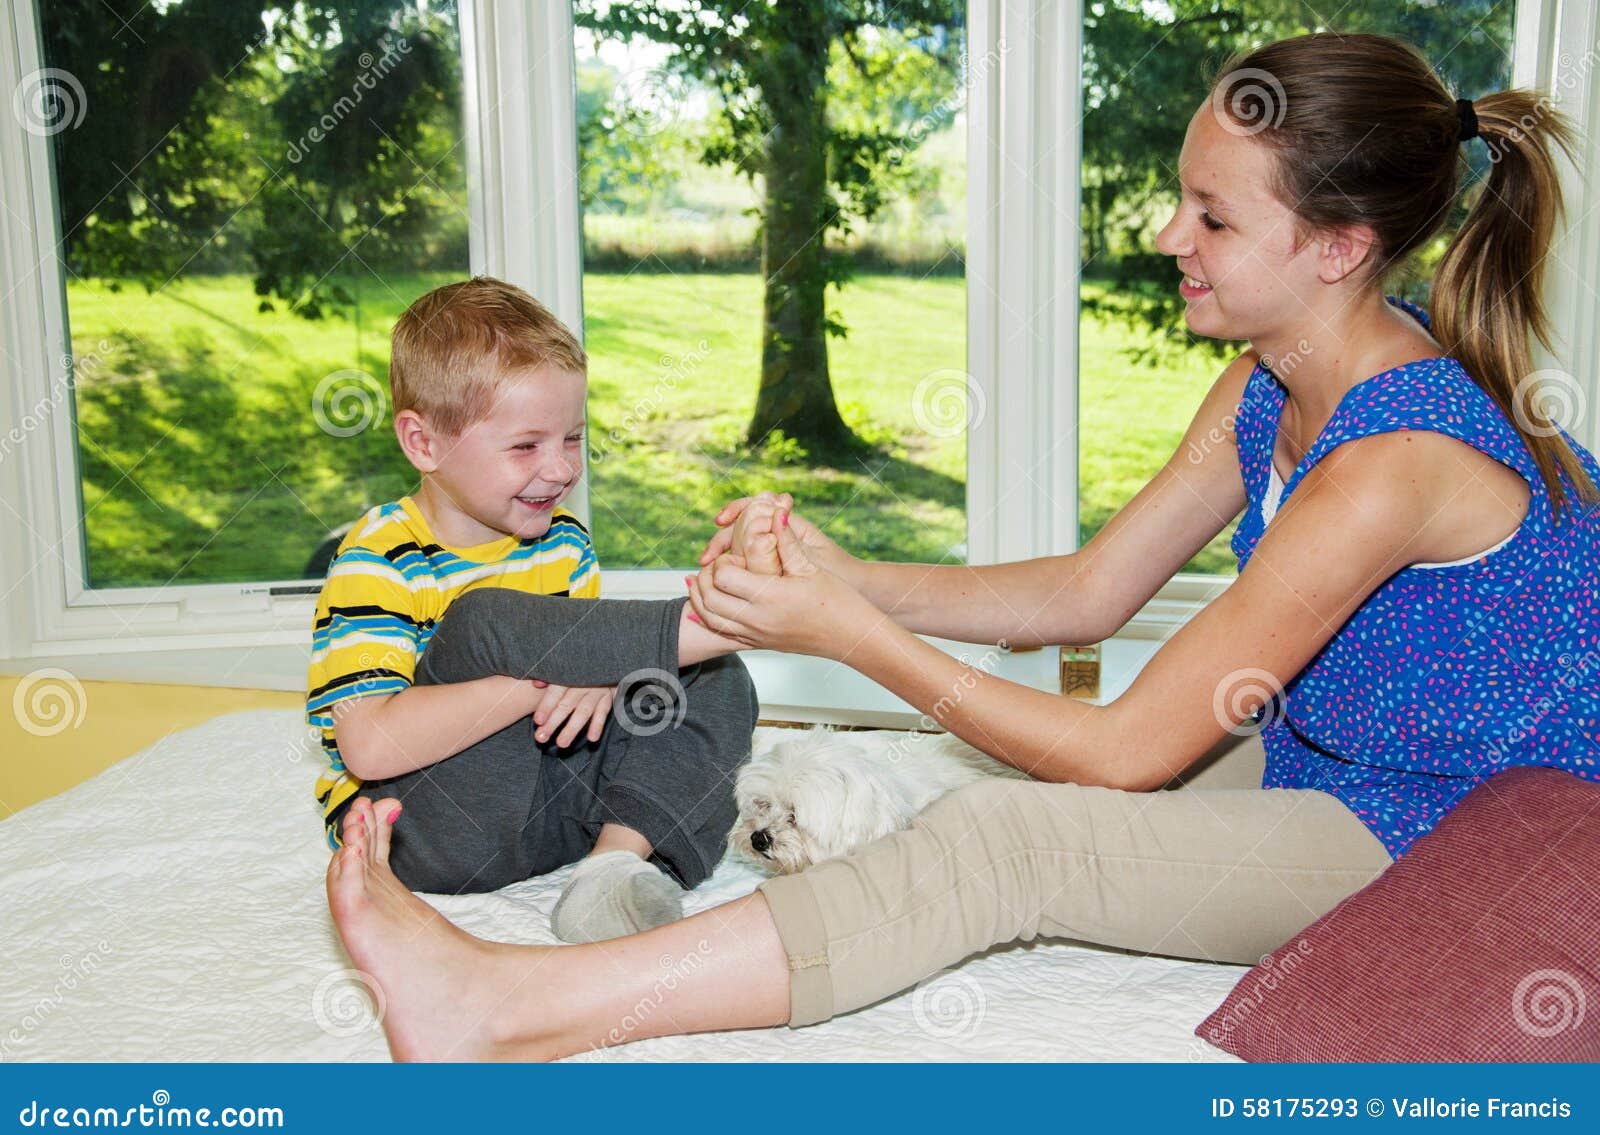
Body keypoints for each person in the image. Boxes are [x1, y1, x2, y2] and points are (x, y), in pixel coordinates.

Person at [325, 32, 1600, 1060]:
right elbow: (1088, 592)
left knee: (1011, 837)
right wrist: (849, 578)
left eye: (1211, 218)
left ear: (1338, 248)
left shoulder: (1391, 464)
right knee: (1006, 788)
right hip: (1351, 756)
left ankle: (511, 1009)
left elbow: (1124, 750)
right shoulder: (1275, 378)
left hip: (1475, 833)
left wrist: (850, 636)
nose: (1169, 235)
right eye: (1181, 198)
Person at [306, 276, 756, 944]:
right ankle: (715, 618)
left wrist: (600, 677)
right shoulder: (378, 559)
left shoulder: (564, 542)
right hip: (430, 826)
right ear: (424, 443)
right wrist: (541, 682)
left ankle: (611, 870)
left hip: (557, 812)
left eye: (572, 438)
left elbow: (590, 678)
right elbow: (369, 745)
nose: (561, 468)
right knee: (485, 618)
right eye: (526, 446)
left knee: (715, 675)